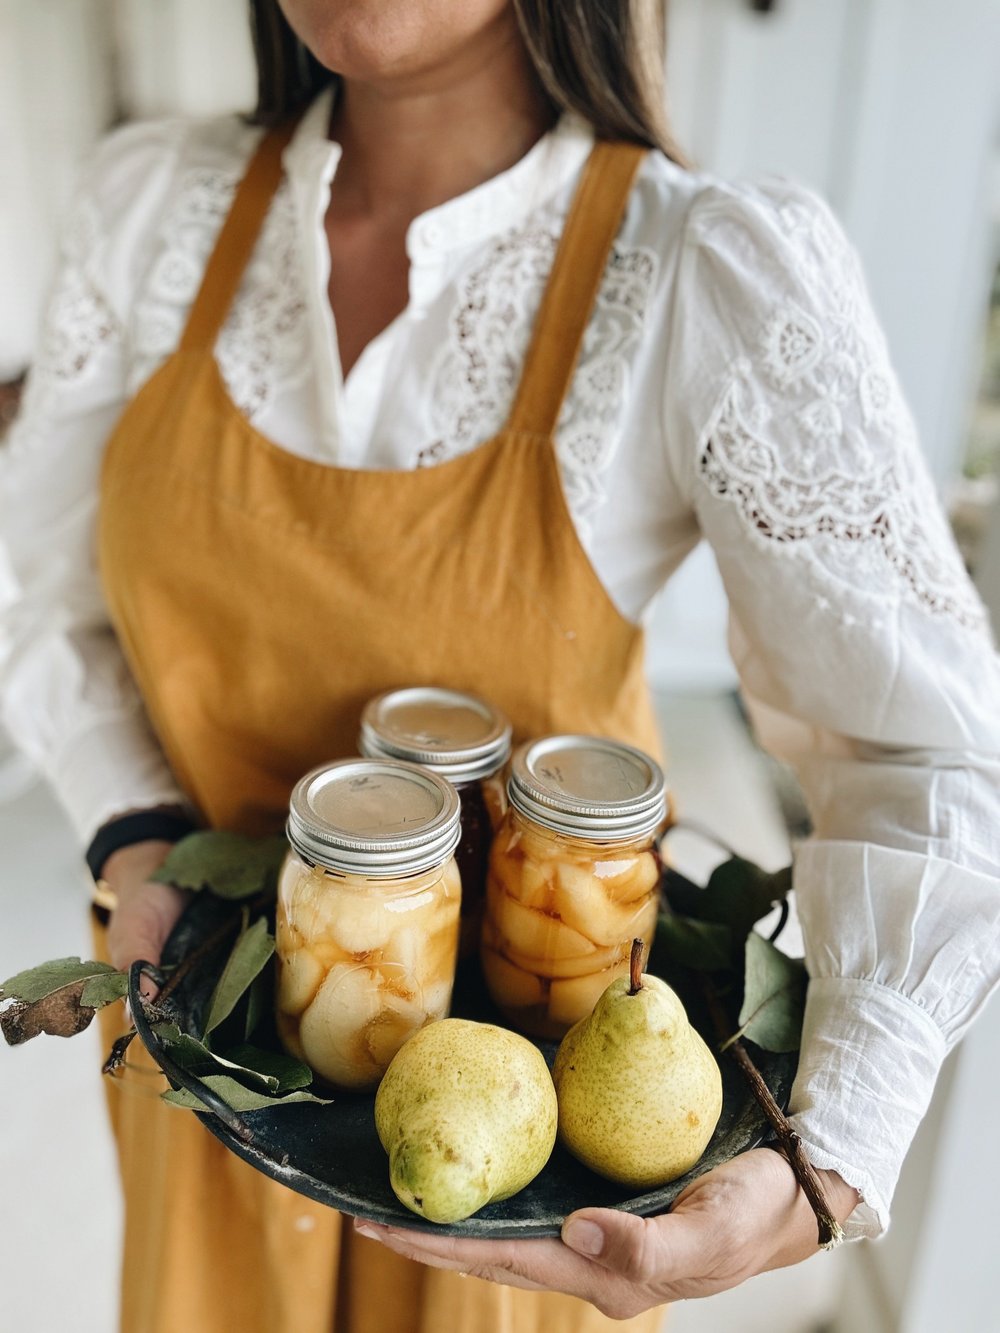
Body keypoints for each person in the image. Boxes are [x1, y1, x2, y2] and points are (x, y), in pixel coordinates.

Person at [1, 0, 998, 1328]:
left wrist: (824, 1158)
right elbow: (36, 590)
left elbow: (927, 753)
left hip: (524, 1156)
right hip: (209, 1051)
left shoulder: (705, 265)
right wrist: (140, 846)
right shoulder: (146, 212)